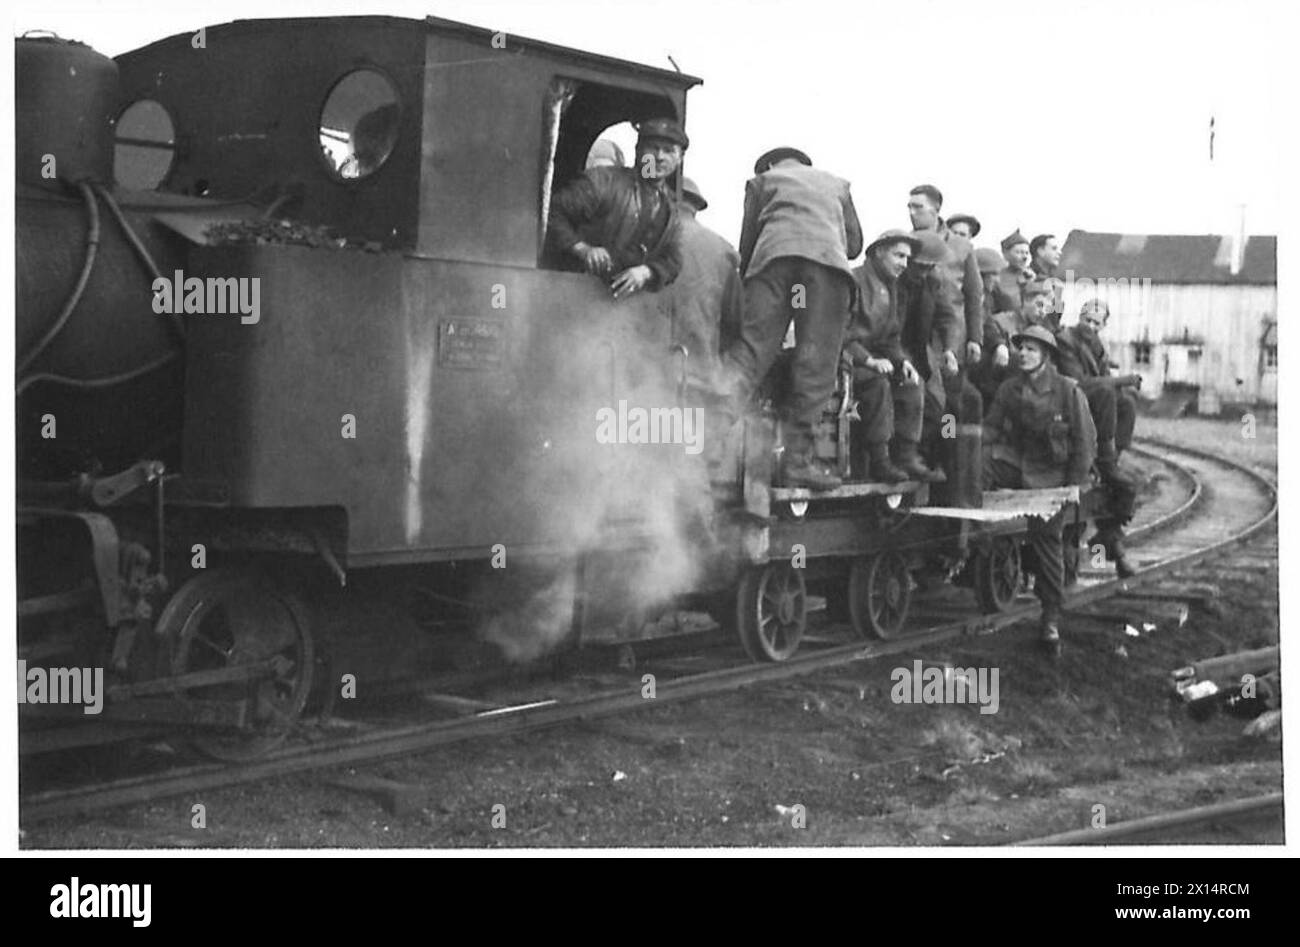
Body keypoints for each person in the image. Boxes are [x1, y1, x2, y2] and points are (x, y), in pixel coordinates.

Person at [723, 146, 864, 490]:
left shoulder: (762, 181)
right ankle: (797, 463)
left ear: (770, 165)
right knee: (815, 365)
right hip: (826, 266)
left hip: (773, 260)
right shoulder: (837, 184)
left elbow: (748, 246)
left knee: (750, 354)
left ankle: (702, 448)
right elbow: (855, 245)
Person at [983, 325, 1097, 654]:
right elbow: (991, 427)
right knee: (980, 459)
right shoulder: (1010, 388)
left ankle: (1050, 618)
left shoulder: (1067, 391)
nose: (1023, 354)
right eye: (1021, 348)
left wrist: (1074, 486)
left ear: (1046, 356)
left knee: (1047, 541)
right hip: (1018, 464)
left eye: (1032, 349)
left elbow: (1084, 443)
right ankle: (971, 530)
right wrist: (968, 438)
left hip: (1053, 474)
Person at [843, 230, 944, 483]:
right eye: (899, 255)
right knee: (877, 383)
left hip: (875, 359)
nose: (904, 264)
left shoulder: (892, 288)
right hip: (845, 360)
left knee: (912, 381)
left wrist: (902, 361)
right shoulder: (853, 281)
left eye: (907, 258)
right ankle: (880, 460)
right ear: (879, 252)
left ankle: (907, 456)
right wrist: (869, 360)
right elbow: (839, 334)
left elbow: (890, 337)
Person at [547, 117, 687, 299]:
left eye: (668, 151)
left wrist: (645, 272)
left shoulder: (670, 208)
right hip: (572, 293)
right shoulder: (603, 182)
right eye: (653, 148)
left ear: (679, 158)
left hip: (621, 309)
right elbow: (553, 213)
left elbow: (673, 259)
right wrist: (583, 248)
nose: (659, 157)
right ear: (639, 150)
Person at [1056, 298, 1140, 576]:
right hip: (1069, 404)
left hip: (1093, 408)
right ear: (1078, 317)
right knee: (1108, 391)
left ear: (1104, 325)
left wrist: (1121, 386)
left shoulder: (1097, 346)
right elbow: (1079, 383)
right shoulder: (1066, 340)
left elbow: (1103, 380)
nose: (1090, 326)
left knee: (1126, 401)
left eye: (1096, 322)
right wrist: (1120, 380)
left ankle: (1112, 457)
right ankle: (1105, 463)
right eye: (1086, 320)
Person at [669, 177, 743, 405]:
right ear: (695, 207)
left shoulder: (641, 238)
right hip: (700, 377)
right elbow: (736, 323)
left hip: (642, 374)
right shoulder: (722, 250)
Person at [897, 230, 962, 472]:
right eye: (920, 267)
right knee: (915, 396)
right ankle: (906, 456)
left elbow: (948, 317)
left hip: (920, 351)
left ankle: (936, 459)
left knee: (944, 406)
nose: (923, 272)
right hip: (892, 350)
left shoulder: (933, 281)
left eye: (929, 267)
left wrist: (949, 349)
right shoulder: (893, 281)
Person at [907, 185, 983, 367]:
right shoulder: (906, 244)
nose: (911, 213)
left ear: (936, 209)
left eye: (918, 207)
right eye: (909, 207)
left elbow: (974, 294)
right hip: (913, 333)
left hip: (952, 335)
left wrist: (975, 338)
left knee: (951, 390)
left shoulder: (961, 246)